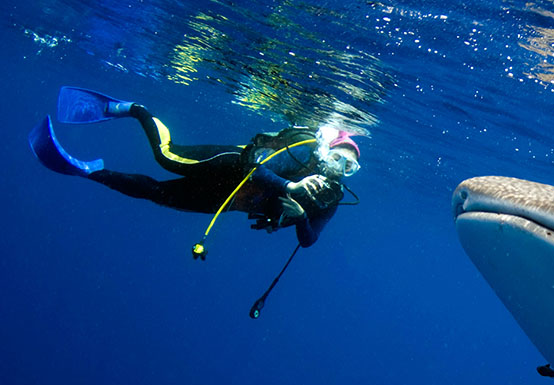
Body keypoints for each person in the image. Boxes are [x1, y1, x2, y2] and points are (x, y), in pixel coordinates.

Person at [28, 86, 360, 249]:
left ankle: (90, 172)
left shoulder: (330, 198)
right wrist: (289, 187)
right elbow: (251, 165)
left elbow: (309, 240)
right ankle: (134, 109)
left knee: (156, 193)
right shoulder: (302, 155)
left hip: (228, 201)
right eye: (338, 156)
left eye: (349, 166)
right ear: (326, 149)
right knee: (166, 156)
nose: (340, 167)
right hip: (230, 167)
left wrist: (301, 215)